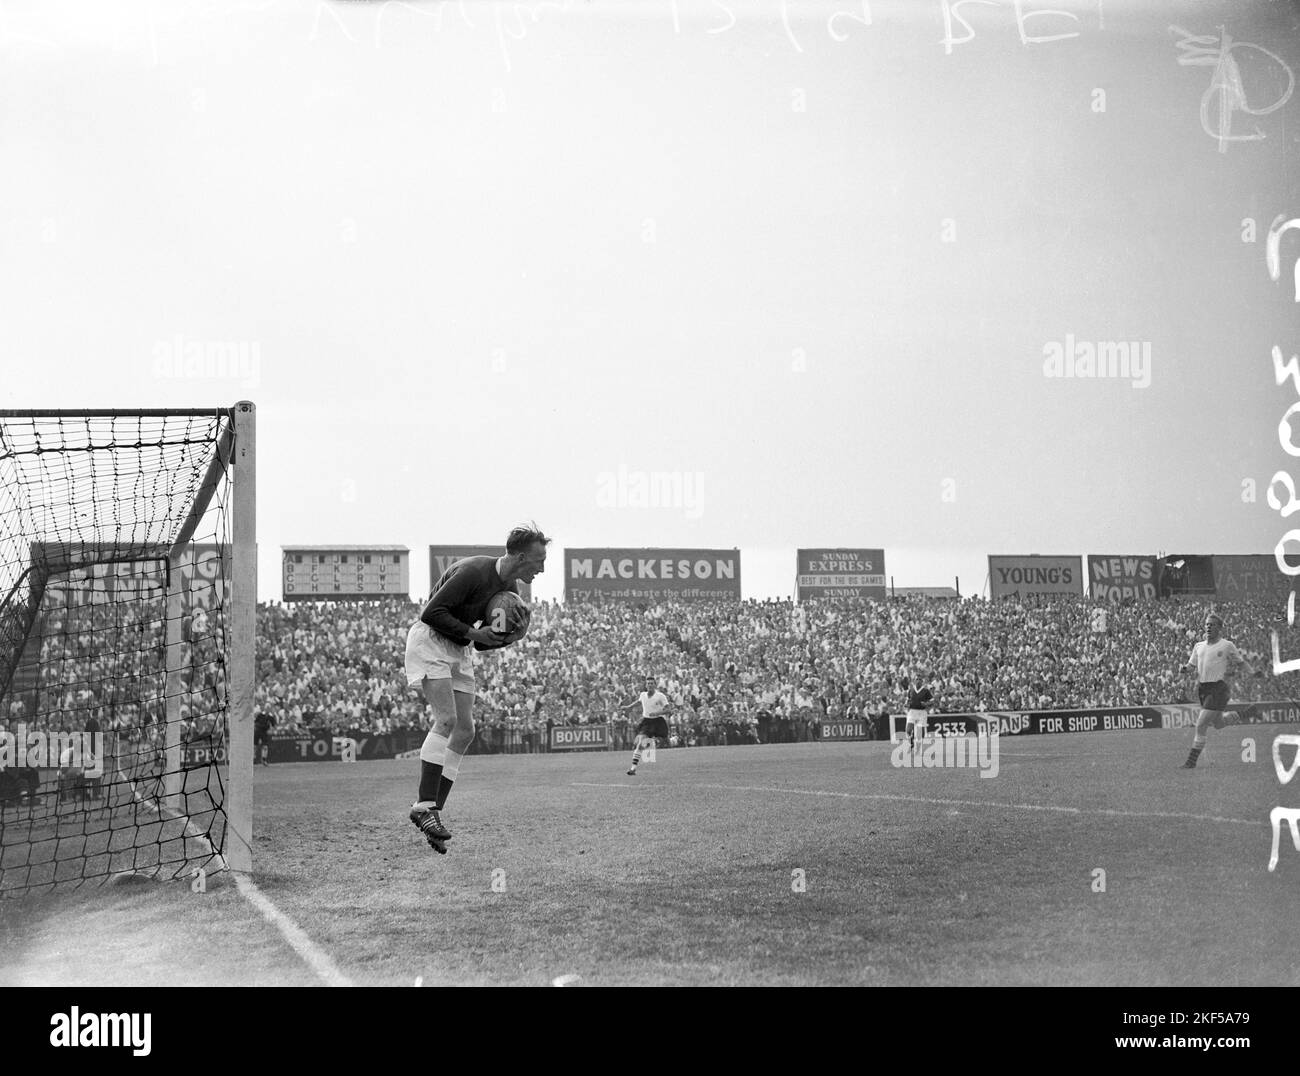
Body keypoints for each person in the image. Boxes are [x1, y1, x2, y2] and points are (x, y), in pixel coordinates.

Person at [405, 524, 549, 854]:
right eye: (539, 560)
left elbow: (483, 643)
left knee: (465, 730)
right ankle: (424, 807)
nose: (542, 568)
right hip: (430, 640)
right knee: (446, 720)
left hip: (459, 648)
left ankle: (431, 812)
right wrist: (476, 633)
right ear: (521, 556)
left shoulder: (510, 588)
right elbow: (432, 612)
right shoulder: (474, 570)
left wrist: (508, 636)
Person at [1180, 612, 1260, 769]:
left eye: (1212, 624)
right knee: (1218, 723)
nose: (1208, 626)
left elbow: (1241, 663)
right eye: (1207, 624)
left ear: (1219, 628)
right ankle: (1247, 713)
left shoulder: (1226, 645)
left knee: (1200, 725)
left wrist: (1252, 672)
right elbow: (1191, 666)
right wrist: (1184, 669)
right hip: (1203, 689)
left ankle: (1191, 762)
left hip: (1218, 689)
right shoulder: (1198, 646)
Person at [621, 675, 672, 776]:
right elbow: (638, 702)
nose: (650, 685)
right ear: (646, 685)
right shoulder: (643, 694)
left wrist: (657, 713)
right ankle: (633, 768)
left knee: (666, 742)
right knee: (640, 744)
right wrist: (628, 707)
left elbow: (668, 709)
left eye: (652, 683)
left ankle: (660, 741)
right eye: (648, 683)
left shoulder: (660, 696)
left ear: (655, 685)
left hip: (658, 722)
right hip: (647, 722)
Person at [903, 676, 935, 750]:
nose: (918, 681)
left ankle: (918, 746)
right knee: (908, 730)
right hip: (912, 711)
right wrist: (906, 704)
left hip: (922, 712)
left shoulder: (925, 691)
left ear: (922, 681)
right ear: (914, 681)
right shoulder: (911, 690)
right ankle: (911, 742)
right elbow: (907, 700)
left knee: (921, 732)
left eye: (920, 679)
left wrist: (926, 704)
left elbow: (932, 700)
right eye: (916, 679)